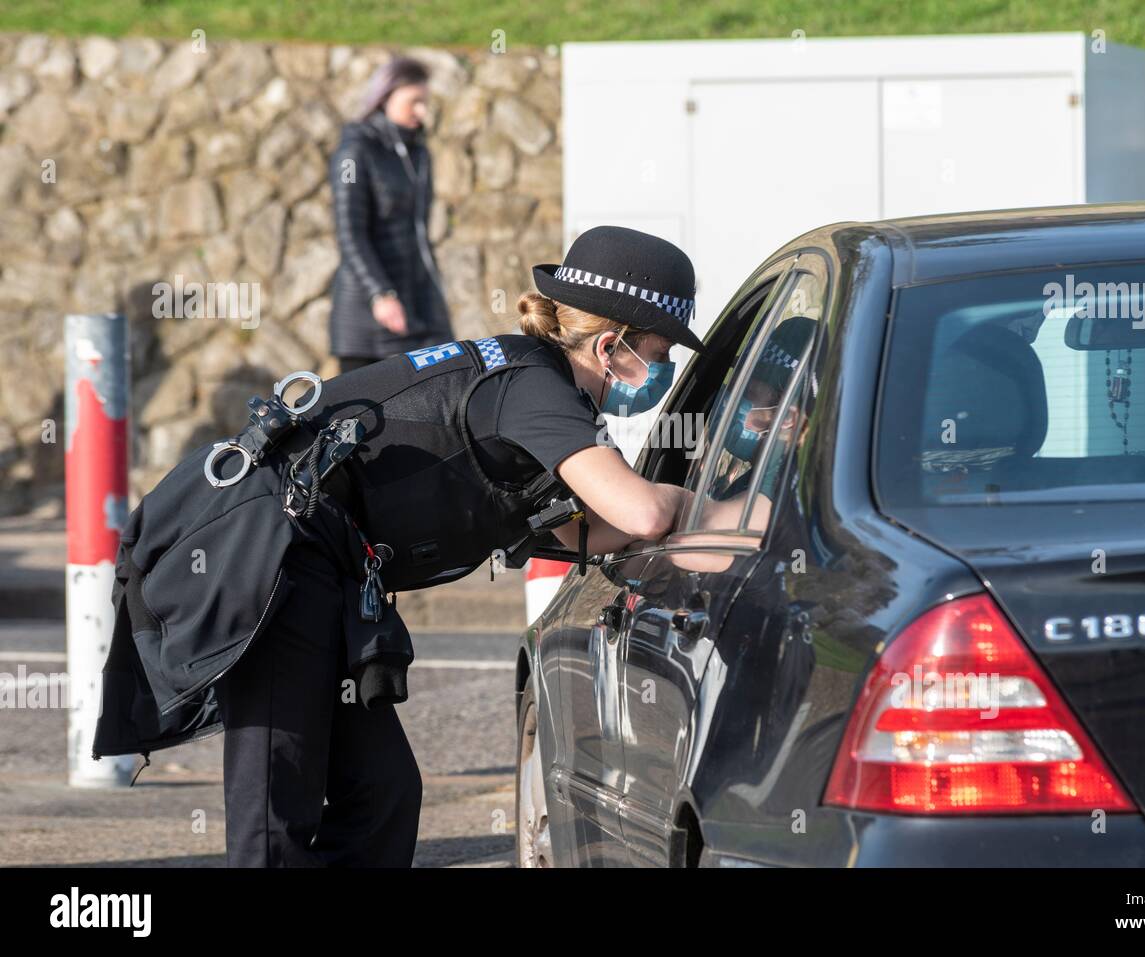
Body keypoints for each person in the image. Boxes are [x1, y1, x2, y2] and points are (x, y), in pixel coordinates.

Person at [91, 225, 707, 867]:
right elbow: (638, 508)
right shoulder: (535, 388)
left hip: (319, 561)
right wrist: (711, 508)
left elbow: (573, 529)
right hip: (271, 556)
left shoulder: (535, 382)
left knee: (381, 794)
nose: (662, 373)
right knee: (279, 796)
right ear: (611, 346)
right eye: (659, 355)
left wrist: (682, 531)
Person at [328, 56, 453, 373]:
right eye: (414, 102)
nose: (422, 112)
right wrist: (379, 294)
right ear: (385, 97)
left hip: (420, 307)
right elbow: (349, 233)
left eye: (425, 102)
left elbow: (418, 234)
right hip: (367, 321)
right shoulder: (354, 152)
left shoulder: (418, 152)